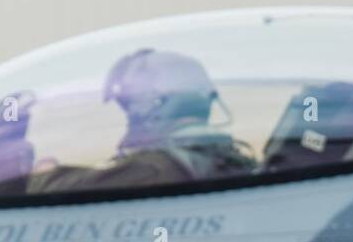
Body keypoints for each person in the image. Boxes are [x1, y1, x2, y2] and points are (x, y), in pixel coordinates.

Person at [28, 48, 254, 194]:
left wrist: (43, 174)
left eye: (129, 109)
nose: (130, 121)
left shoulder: (154, 169)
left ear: (151, 105)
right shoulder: (231, 160)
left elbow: (50, 192)